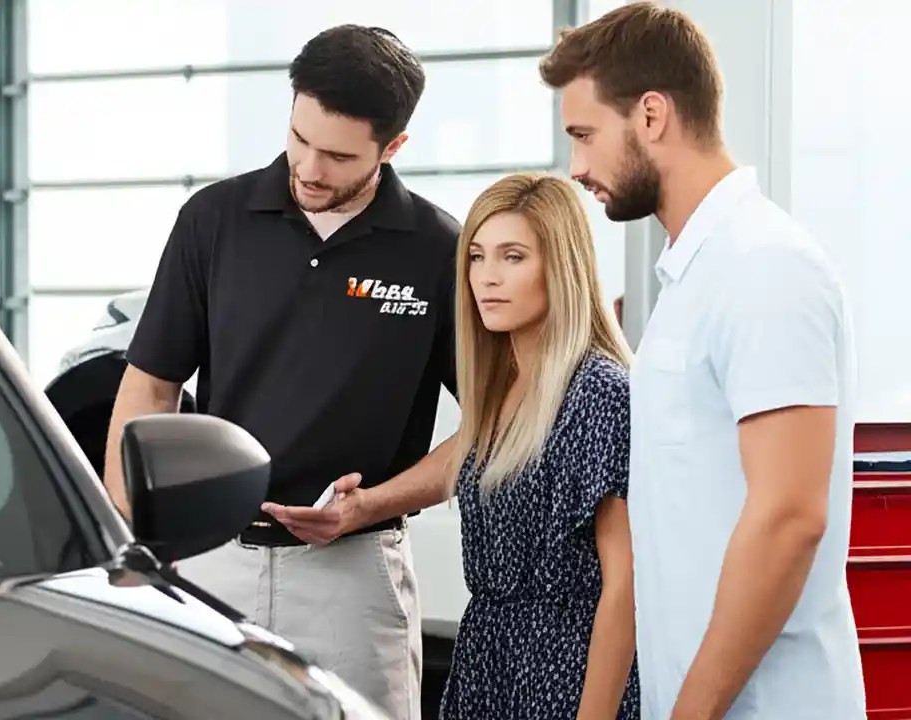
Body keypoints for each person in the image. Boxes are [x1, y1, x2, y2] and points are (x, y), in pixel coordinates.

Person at [102, 25, 461, 720]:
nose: (309, 167)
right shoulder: (213, 220)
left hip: (355, 579)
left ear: (392, 149)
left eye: (336, 154)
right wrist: (133, 539)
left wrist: (371, 505)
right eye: (299, 138)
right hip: (209, 562)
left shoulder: (438, 249)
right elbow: (149, 388)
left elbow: (497, 426)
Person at [540, 3, 866, 718]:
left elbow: (789, 517)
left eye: (585, 135)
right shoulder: (693, 277)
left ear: (651, 115)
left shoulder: (765, 266)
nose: (578, 167)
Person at [436, 173, 638, 719]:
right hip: (485, 669)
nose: (488, 278)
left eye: (513, 257)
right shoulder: (498, 388)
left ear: (561, 267)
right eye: (477, 257)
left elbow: (625, 586)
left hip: (567, 674)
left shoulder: (600, 391)